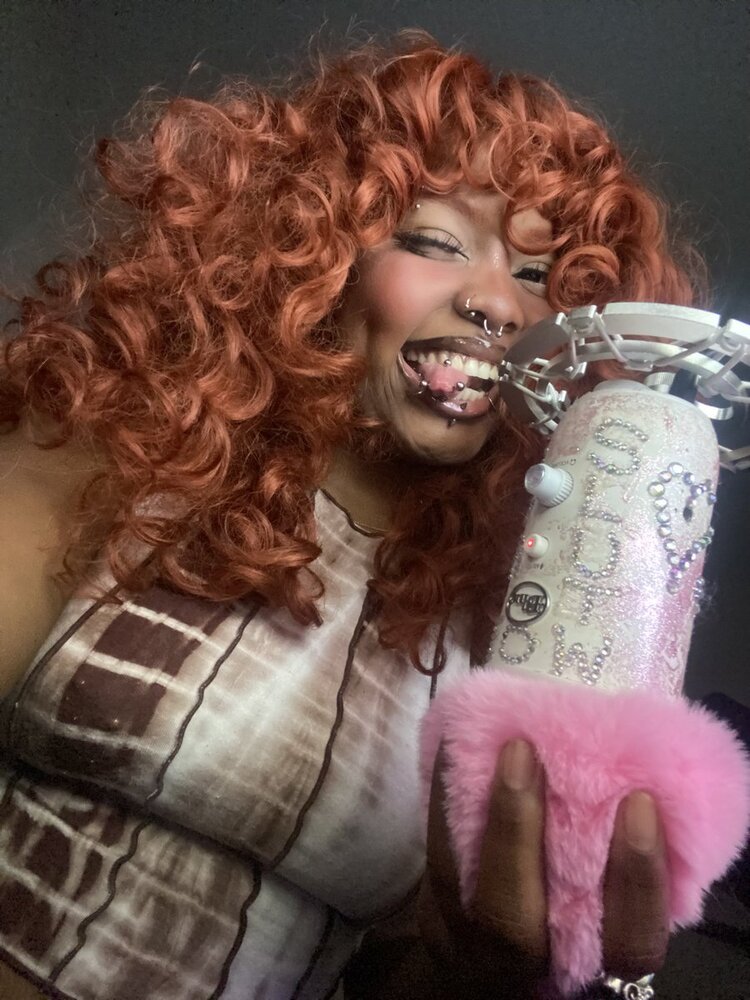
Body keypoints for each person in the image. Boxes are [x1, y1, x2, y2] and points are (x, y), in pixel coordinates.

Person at [0, 32, 717, 1000]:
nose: (498, 304)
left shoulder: (502, 635)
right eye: (436, 242)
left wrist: (482, 968)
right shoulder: (114, 458)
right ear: (315, 252)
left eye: (540, 280)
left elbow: (401, 975)